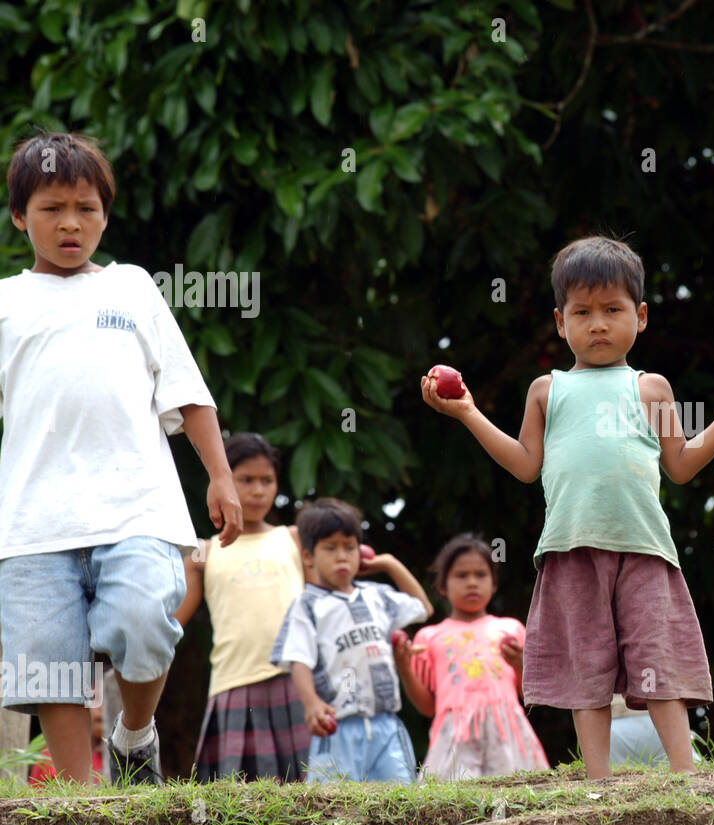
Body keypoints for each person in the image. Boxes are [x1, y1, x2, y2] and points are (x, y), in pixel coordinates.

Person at [421, 235, 714, 778]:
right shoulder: (548, 390)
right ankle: (599, 783)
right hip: (570, 548)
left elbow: (680, 465)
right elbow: (523, 464)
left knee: (657, 659)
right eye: (582, 312)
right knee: (585, 669)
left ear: (640, 316)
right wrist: (468, 412)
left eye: (612, 310)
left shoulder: (651, 388)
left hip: (644, 548)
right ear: (561, 323)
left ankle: (688, 776)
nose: (598, 324)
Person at [0, 132, 242, 786]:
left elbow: (188, 392)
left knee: (142, 622)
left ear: (106, 213)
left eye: (87, 207)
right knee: (50, 666)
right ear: (20, 215)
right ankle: (84, 803)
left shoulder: (134, 288)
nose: (71, 223)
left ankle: (135, 733)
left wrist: (220, 475)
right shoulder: (5, 303)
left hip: (137, 508)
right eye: (52, 208)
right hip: (31, 523)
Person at [176, 433, 311, 781]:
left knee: (309, 791)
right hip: (233, 682)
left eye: (267, 480)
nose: (258, 490)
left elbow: (323, 606)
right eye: (246, 480)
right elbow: (173, 623)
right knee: (239, 800)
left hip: (297, 681)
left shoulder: (294, 539)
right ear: (223, 482)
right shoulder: (203, 552)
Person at [270, 498, 432, 783]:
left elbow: (423, 608)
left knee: (401, 802)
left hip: (386, 725)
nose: (342, 556)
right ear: (308, 557)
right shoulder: (307, 606)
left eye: (349, 547)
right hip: (338, 726)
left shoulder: (377, 596)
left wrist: (390, 564)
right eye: (330, 548)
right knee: (333, 808)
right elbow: (298, 659)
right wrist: (311, 704)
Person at [393, 534, 548, 781]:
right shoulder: (429, 637)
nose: (472, 582)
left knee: (519, 796)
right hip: (453, 739)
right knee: (453, 807)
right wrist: (404, 668)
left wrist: (519, 664)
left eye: (481, 574)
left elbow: (529, 696)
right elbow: (427, 706)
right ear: (442, 586)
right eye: (461, 575)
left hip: (507, 734)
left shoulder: (511, 629)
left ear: (494, 583)